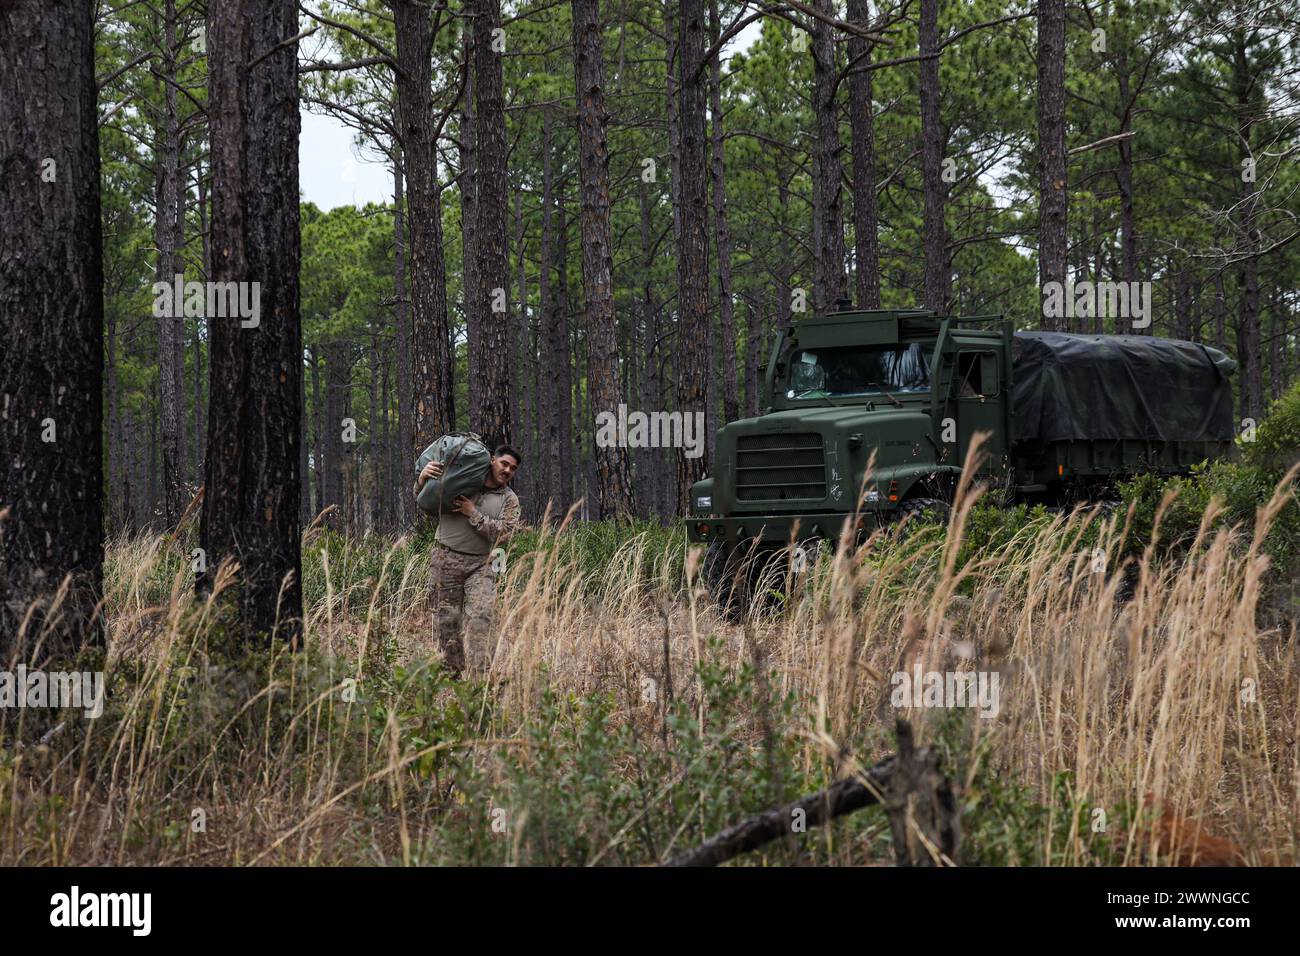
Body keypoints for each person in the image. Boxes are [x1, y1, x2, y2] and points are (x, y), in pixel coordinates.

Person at [414, 444, 523, 675]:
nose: (507, 470)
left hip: (482, 566)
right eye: (504, 464)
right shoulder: (462, 481)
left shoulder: (509, 499)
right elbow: (427, 502)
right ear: (492, 460)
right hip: (445, 558)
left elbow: (505, 534)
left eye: (512, 469)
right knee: (446, 621)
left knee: (482, 618)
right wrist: (422, 479)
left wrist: (473, 513)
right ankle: (450, 674)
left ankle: (480, 678)